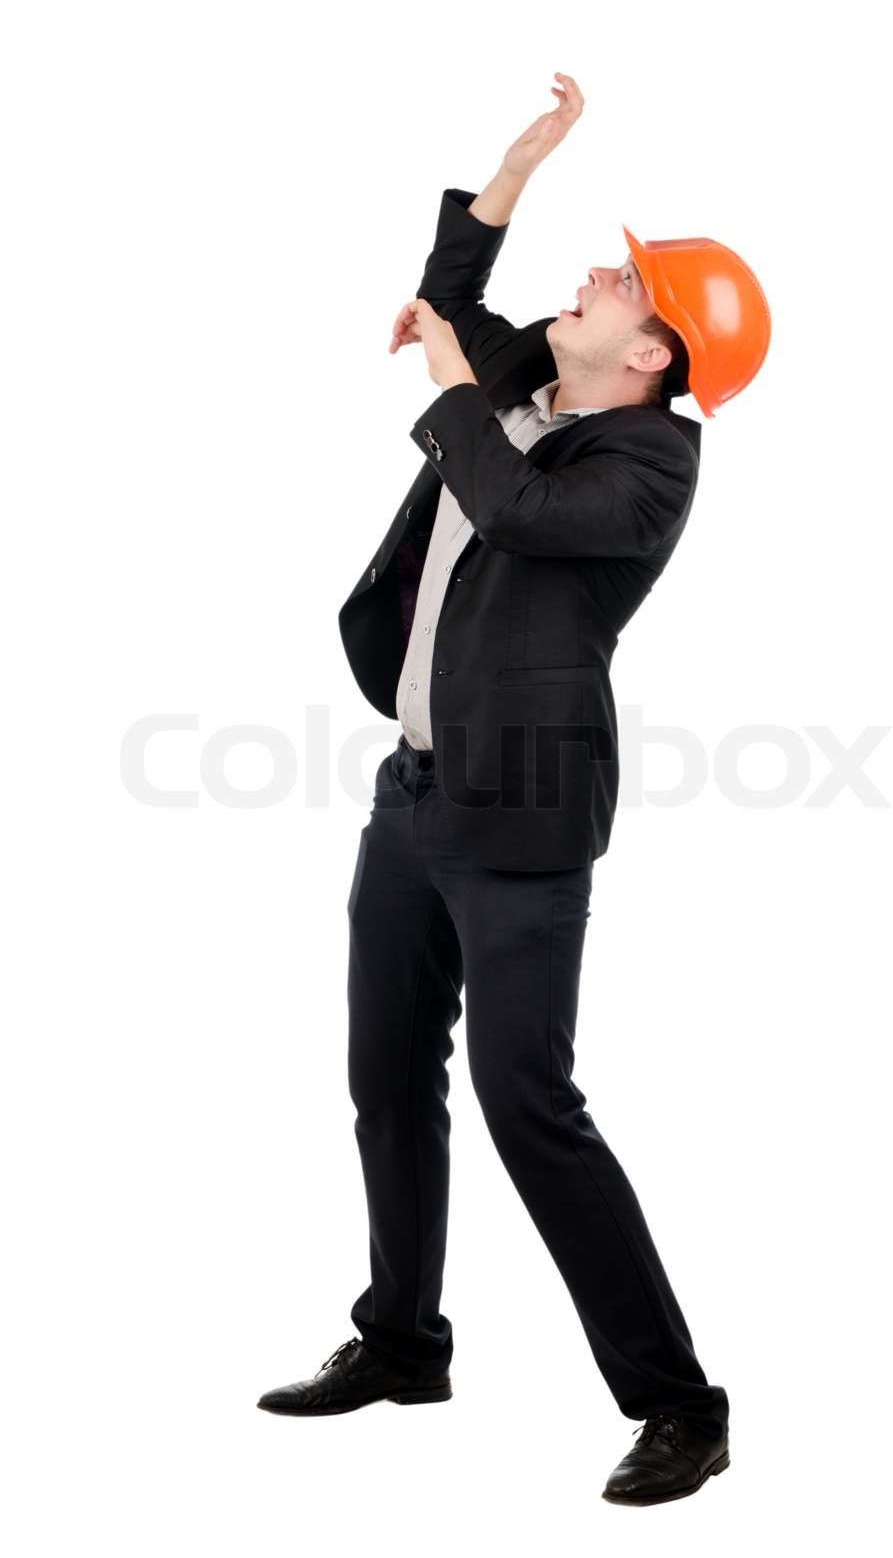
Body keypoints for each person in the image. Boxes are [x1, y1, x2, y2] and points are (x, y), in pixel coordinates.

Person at [257, 72, 770, 1509]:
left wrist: (452, 384)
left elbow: (523, 509)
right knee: (383, 1075)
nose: (597, 274)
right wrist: (514, 168)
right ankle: (402, 1343)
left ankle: (683, 1405)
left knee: (528, 1101)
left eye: (627, 282)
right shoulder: (536, 390)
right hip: (412, 797)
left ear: (656, 357)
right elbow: (448, 295)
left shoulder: (648, 466)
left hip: (525, 817)